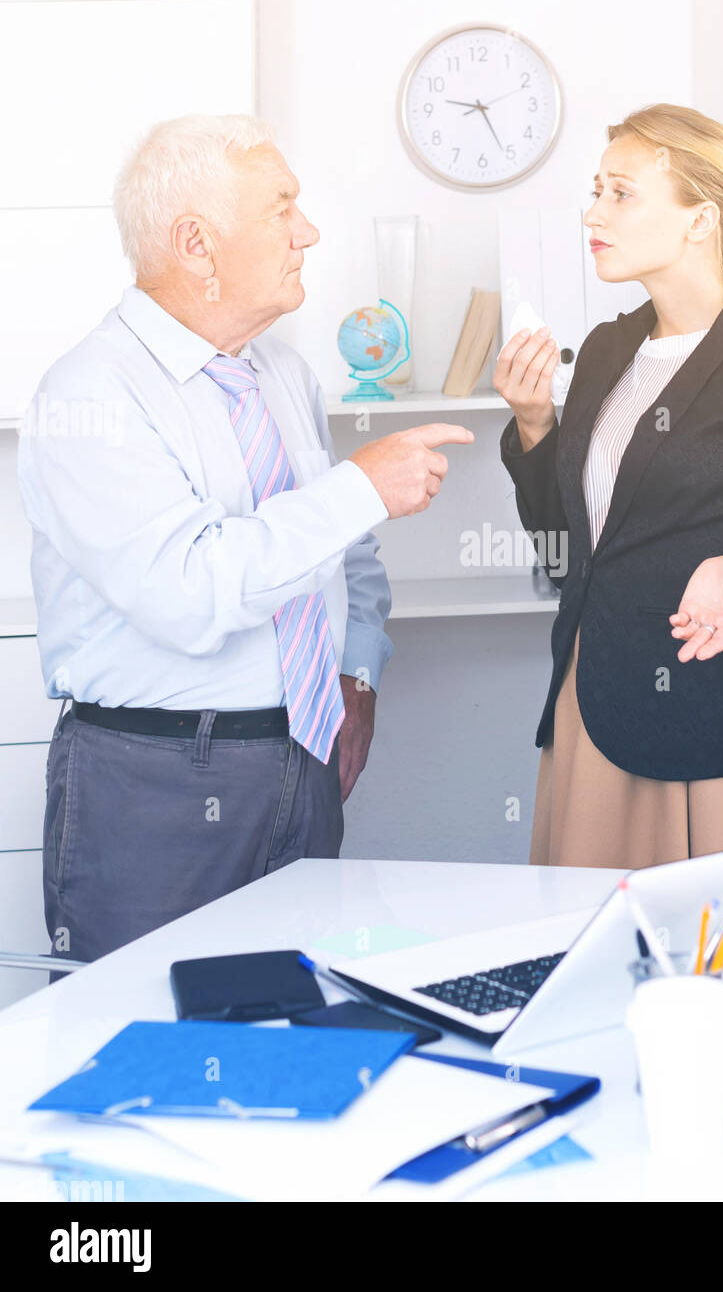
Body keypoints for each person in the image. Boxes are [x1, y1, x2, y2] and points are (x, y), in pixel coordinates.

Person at [18, 114, 472, 963]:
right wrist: (359, 486)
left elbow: (350, 556)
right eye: (282, 210)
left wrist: (354, 674)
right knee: (151, 1049)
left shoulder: (283, 373)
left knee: (296, 1033)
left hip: (303, 758)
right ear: (197, 243)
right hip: (154, 783)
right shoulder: (89, 395)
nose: (309, 233)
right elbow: (189, 594)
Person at [496, 104, 723, 870]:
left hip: (715, 740)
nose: (593, 212)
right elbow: (570, 561)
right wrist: (534, 428)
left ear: (700, 218)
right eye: (596, 190)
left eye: (620, 193)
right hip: (589, 716)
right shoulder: (603, 352)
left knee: (721, 979)